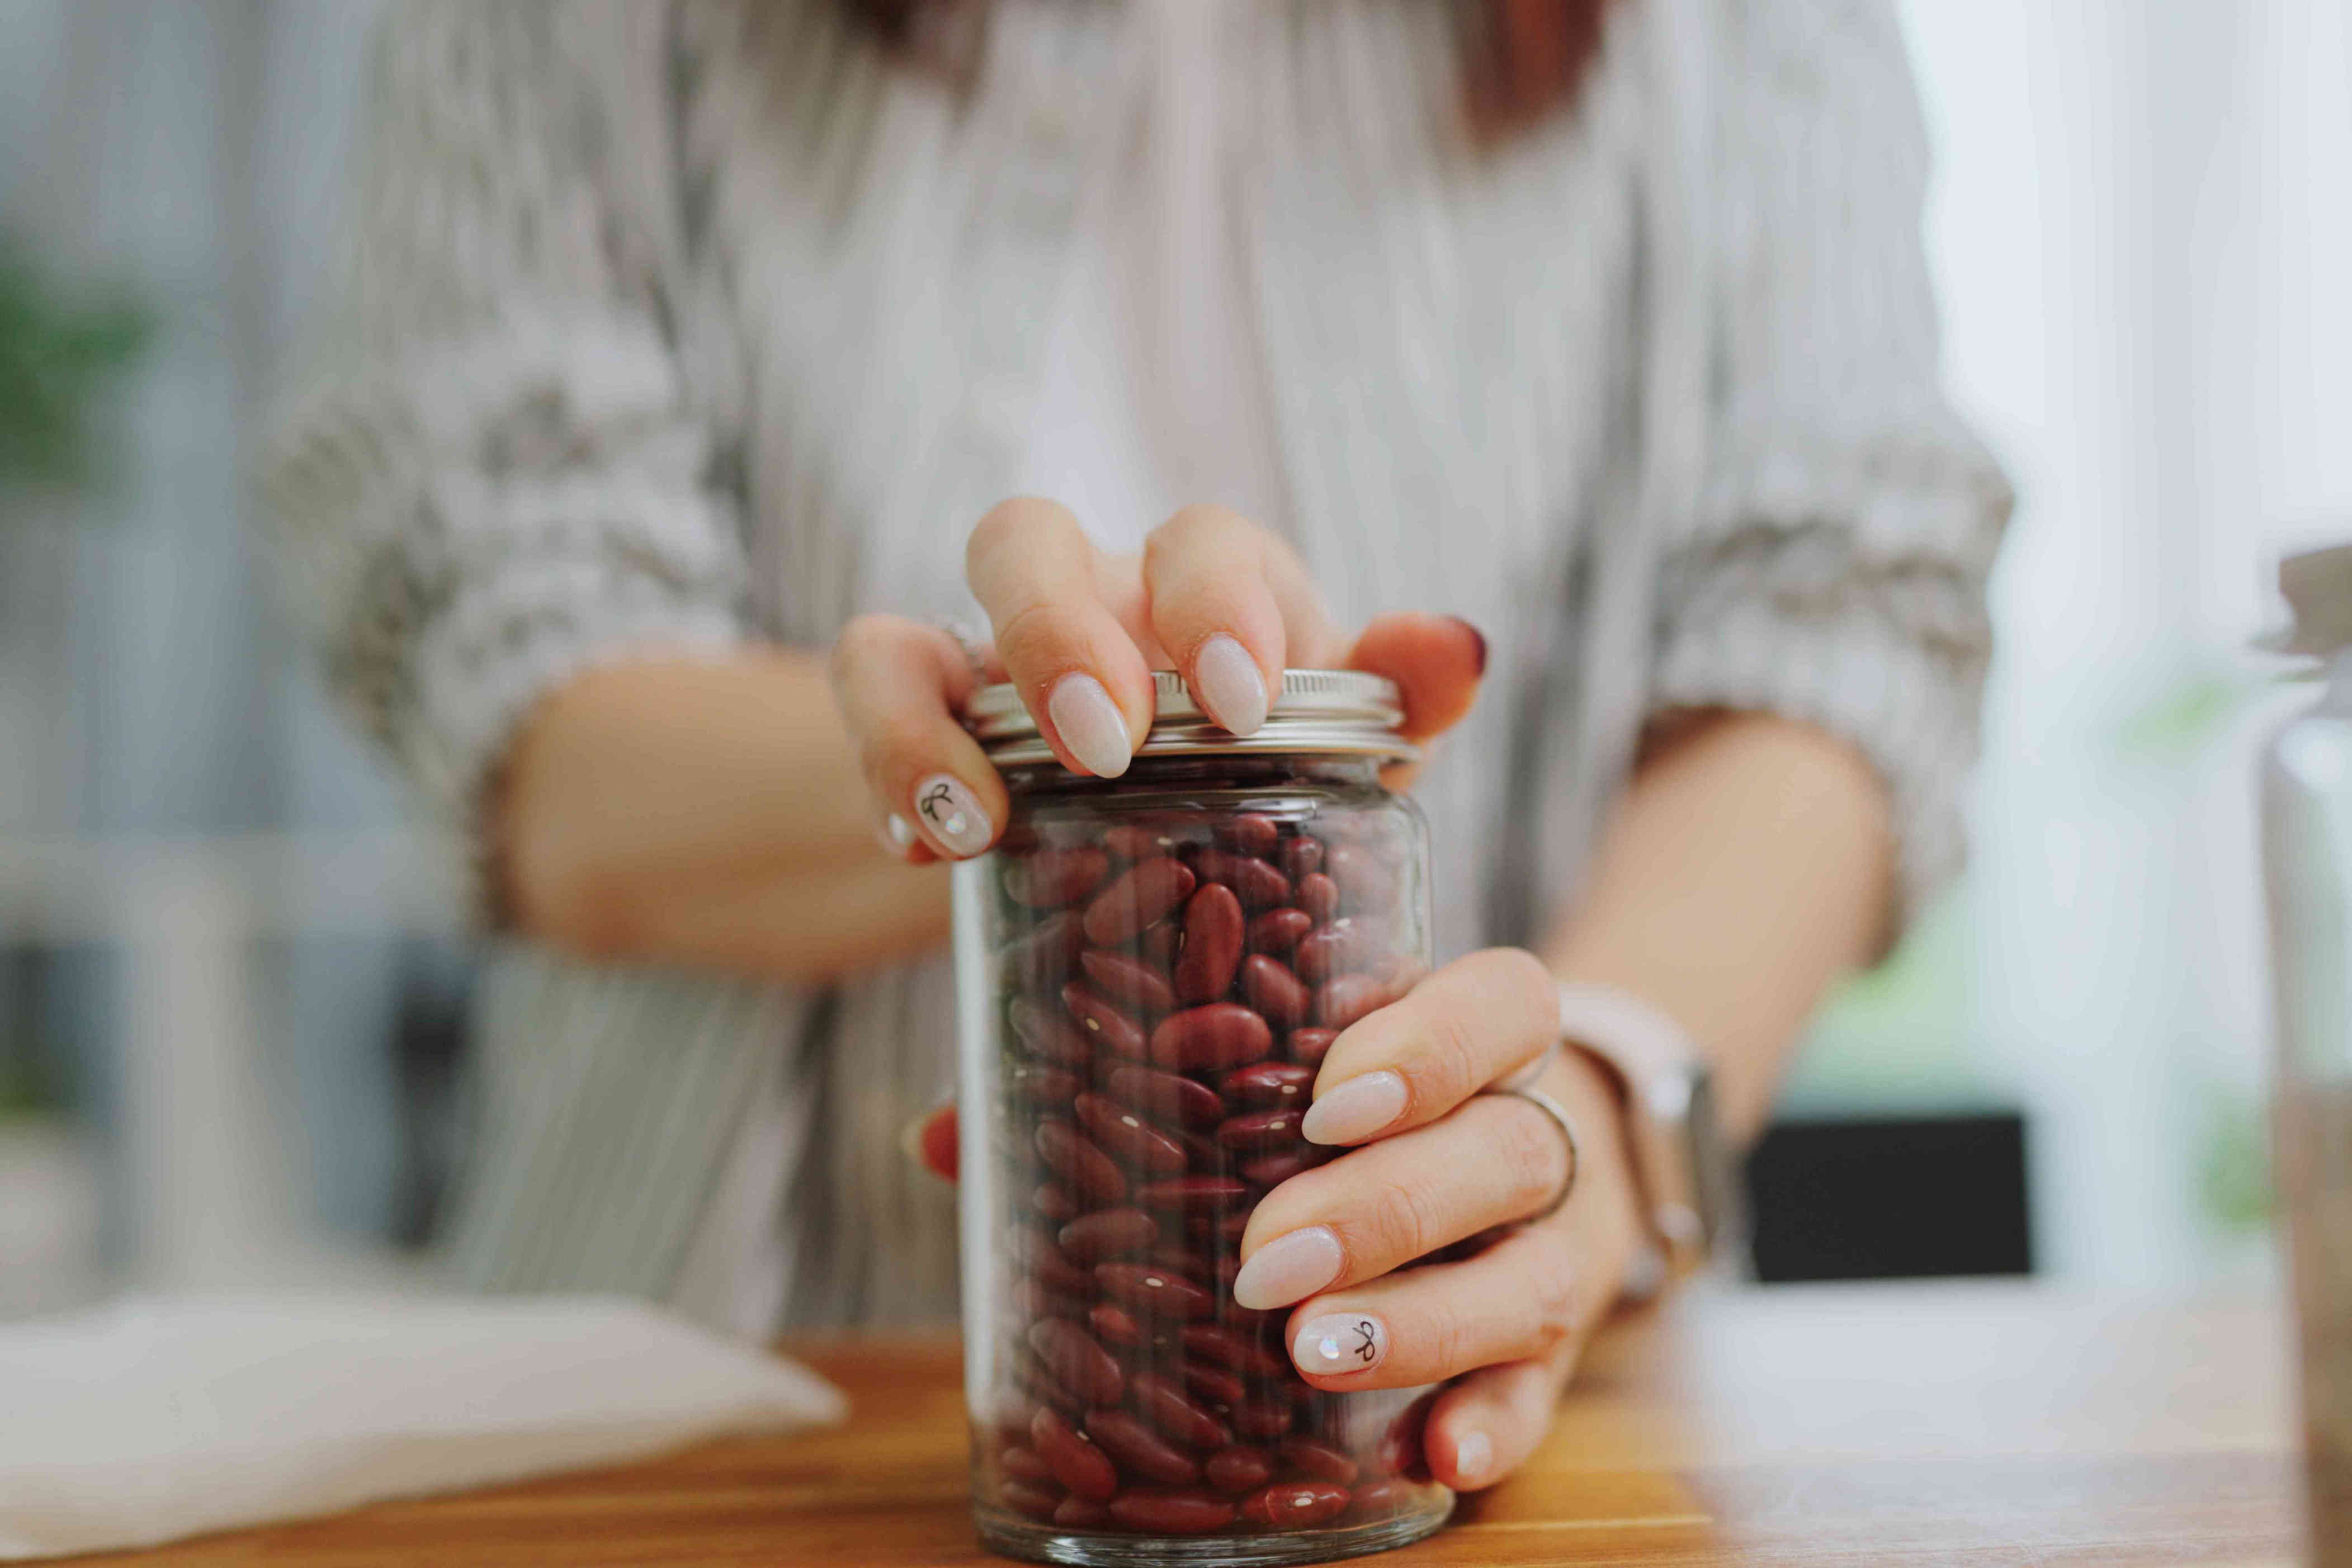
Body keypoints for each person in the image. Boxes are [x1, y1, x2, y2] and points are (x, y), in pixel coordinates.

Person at [260, 0, 2009, 1494]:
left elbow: (1840, 626)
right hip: (700, 1426)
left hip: (1481, 1441)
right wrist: (1040, 770)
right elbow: (526, 701)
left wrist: (1594, 1116)